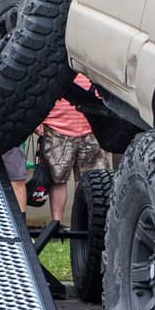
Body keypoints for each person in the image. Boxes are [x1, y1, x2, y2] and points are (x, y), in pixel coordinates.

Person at [38, 74, 108, 225]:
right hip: (57, 126)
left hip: (93, 126)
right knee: (58, 179)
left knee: (91, 180)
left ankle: (85, 224)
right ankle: (56, 224)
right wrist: (39, 120)